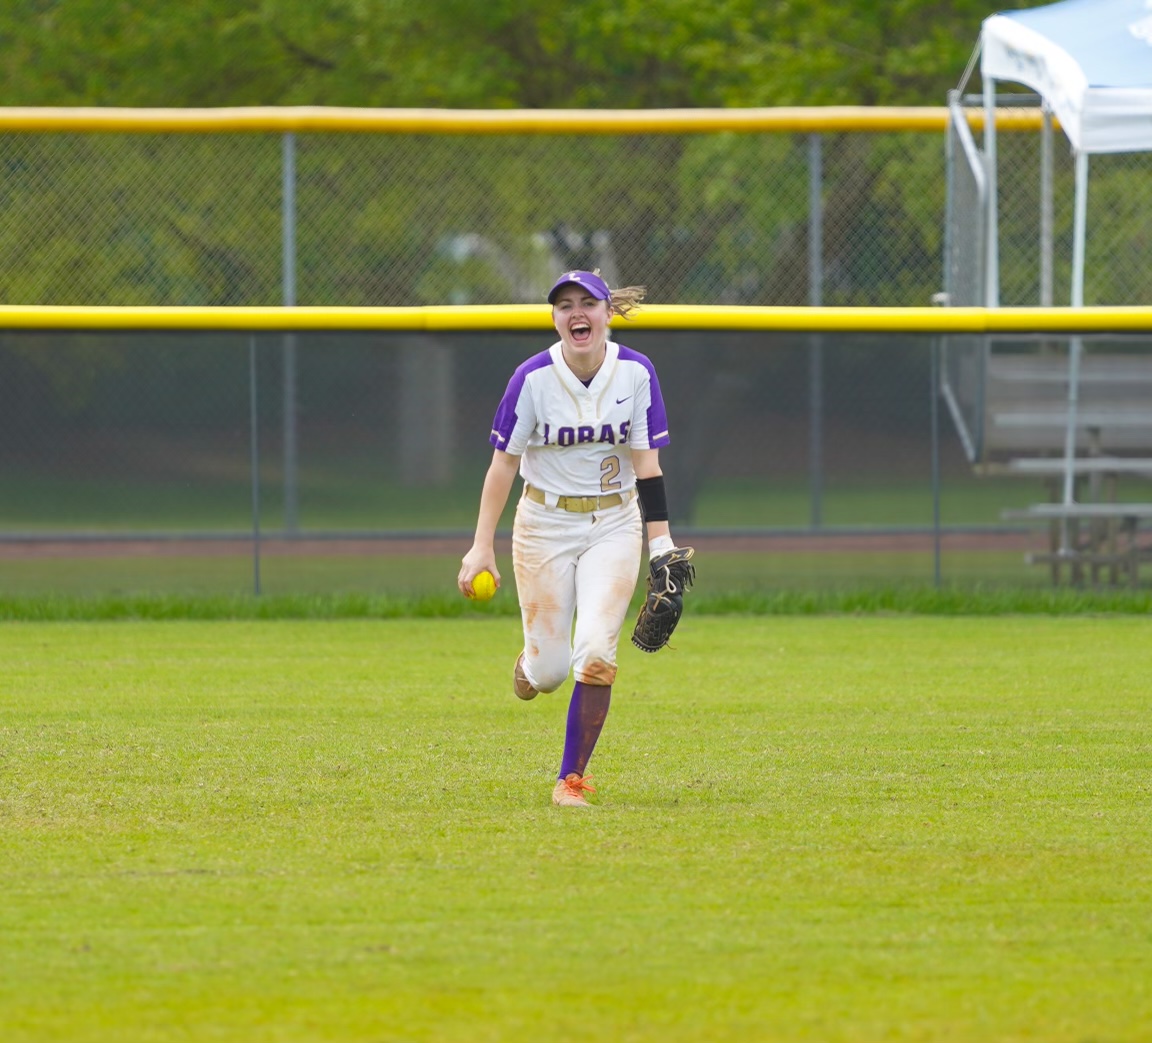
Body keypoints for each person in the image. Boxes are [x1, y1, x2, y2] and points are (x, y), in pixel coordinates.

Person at [457, 269, 688, 808]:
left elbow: (647, 466)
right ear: (556, 318)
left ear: (608, 313)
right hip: (544, 524)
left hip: (614, 522)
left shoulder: (635, 372)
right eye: (565, 305)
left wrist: (661, 544)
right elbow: (502, 465)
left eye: (588, 303)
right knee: (552, 671)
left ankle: (571, 779)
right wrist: (480, 544)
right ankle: (530, 666)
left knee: (597, 653)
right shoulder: (532, 378)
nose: (576, 313)